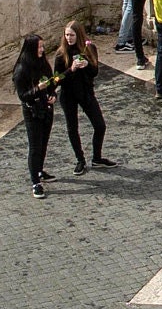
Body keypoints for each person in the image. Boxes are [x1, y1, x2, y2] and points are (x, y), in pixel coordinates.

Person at [54, 21, 112, 173]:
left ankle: (97, 157)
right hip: (68, 95)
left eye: (72, 35)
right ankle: (80, 159)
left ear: (78, 35)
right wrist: (71, 69)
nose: (68, 38)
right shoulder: (61, 54)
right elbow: (56, 79)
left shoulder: (89, 48)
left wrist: (87, 65)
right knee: (72, 128)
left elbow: (95, 72)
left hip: (85, 92)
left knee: (100, 125)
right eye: (66, 35)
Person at [12, 34, 57, 197]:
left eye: (42, 47)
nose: (42, 50)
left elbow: (52, 82)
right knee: (35, 146)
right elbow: (23, 95)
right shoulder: (21, 70)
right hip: (32, 111)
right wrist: (38, 89)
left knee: (44, 142)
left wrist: (53, 94)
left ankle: (39, 170)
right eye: (39, 47)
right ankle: (35, 182)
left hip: (46, 108)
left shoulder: (43, 63)